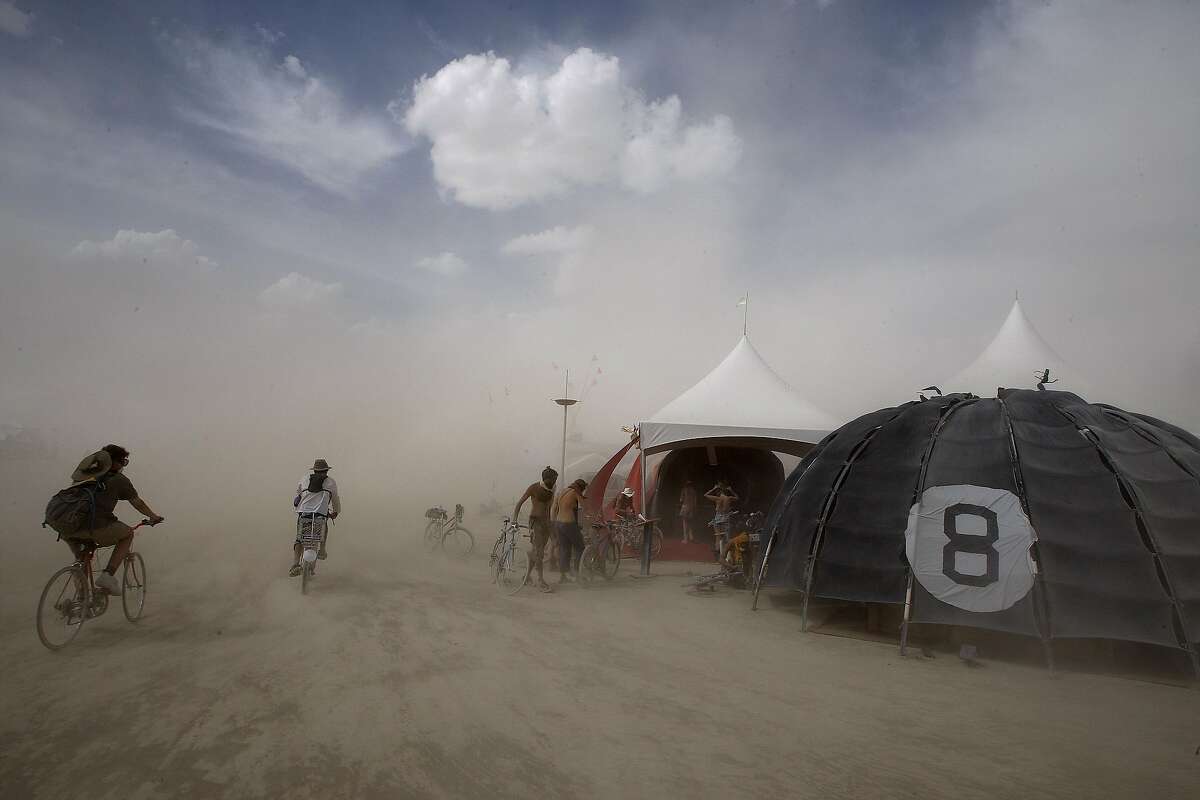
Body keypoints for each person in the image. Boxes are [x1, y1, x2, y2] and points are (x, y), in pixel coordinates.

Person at [67, 445, 165, 595]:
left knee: (83, 555)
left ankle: (81, 599)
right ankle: (107, 575)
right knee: (127, 535)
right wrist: (153, 517)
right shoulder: (118, 479)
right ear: (113, 462)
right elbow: (137, 503)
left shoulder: (83, 477)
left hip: (67, 526)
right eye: (123, 462)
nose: (123, 466)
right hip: (96, 525)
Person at [289, 458, 341, 577]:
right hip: (320, 514)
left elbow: (298, 493)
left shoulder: (305, 478)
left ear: (315, 470)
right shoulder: (331, 482)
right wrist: (336, 512)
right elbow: (335, 499)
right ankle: (322, 549)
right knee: (323, 526)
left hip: (304, 513)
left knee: (299, 538)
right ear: (326, 471)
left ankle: (295, 564)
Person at [512, 466, 557, 593]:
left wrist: (551, 531)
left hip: (545, 523)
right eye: (553, 479)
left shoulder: (551, 490)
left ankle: (526, 577)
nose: (555, 482)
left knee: (537, 552)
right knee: (539, 552)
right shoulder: (534, 488)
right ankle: (540, 580)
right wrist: (514, 520)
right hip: (535, 522)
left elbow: (548, 510)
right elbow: (519, 503)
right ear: (547, 479)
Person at [552, 478, 587, 583]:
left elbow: (553, 508)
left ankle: (563, 576)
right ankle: (577, 574)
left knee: (564, 549)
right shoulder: (576, 492)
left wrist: (553, 523)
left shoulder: (561, 491)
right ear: (581, 487)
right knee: (580, 547)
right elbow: (584, 506)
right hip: (569, 523)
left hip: (558, 523)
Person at [704, 479, 739, 563]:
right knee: (727, 538)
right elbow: (737, 498)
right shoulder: (729, 498)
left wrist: (713, 488)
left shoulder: (717, 499)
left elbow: (705, 495)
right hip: (726, 518)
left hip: (718, 518)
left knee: (718, 538)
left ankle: (718, 558)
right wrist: (731, 491)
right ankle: (728, 557)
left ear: (719, 491)